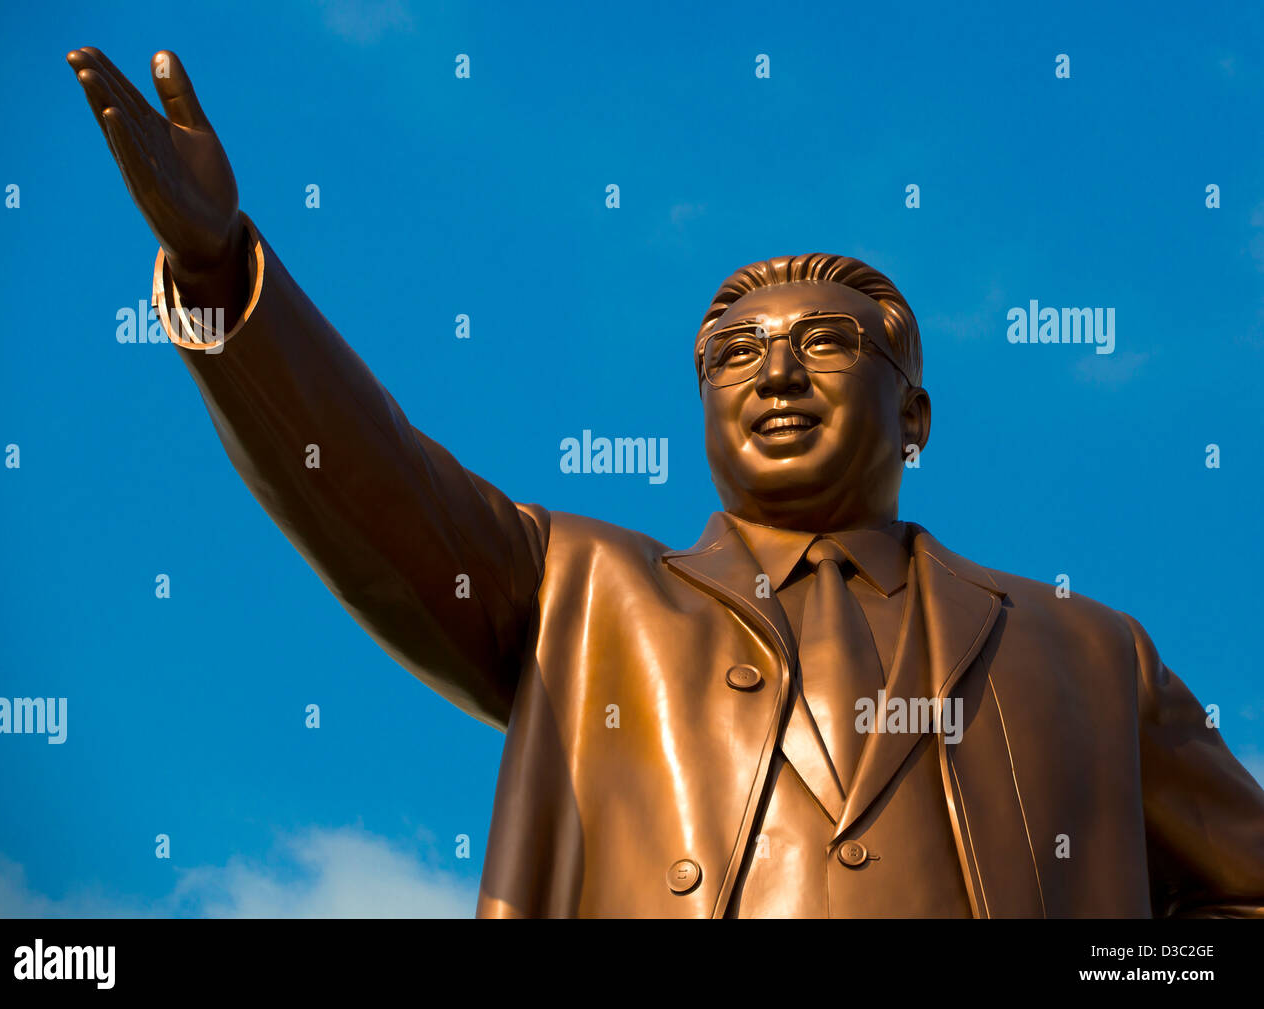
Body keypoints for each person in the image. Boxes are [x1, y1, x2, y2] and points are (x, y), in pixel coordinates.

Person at [68, 47, 1264, 918]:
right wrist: (221, 269)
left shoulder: (1095, 658)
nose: (776, 372)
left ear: (916, 415)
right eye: (735, 355)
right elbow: (369, 481)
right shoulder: (579, 597)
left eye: (829, 343)